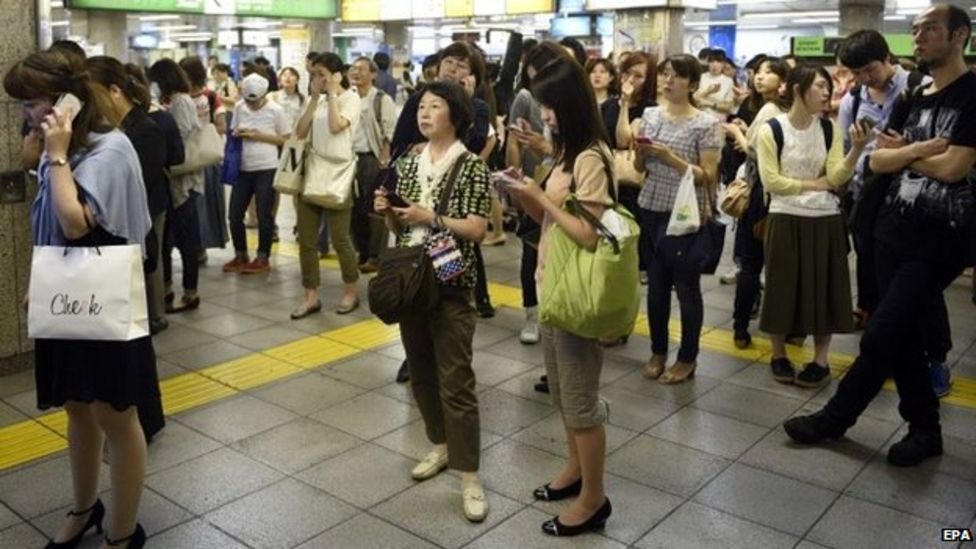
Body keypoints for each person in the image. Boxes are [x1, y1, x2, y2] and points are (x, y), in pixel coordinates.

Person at [786, 4, 976, 466]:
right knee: (903, 334)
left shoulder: (972, 95)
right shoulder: (915, 95)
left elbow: (954, 168)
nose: (919, 37)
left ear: (960, 36)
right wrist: (917, 151)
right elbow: (876, 159)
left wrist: (904, 153)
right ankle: (925, 429)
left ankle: (835, 418)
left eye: (930, 28)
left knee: (880, 334)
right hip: (891, 229)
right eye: (916, 29)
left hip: (941, 239)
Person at [6, 49, 152, 549]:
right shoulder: (65, 150)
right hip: (68, 294)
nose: (26, 114)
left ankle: (123, 532)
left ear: (66, 100)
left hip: (105, 297)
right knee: (75, 405)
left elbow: (74, 222)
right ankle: (84, 507)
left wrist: (57, 154)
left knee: (115, 413)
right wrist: (41, 283)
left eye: (31, 102)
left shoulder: (109, 150)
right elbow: (51, 226)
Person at [506, 57, 614, 538]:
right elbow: (549, 218)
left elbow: (589, 233)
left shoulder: (591, 156)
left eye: (549, 106)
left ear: (569, 104)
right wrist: (522, 192)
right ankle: (573, 470)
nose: (544, 114)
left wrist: (539, 194)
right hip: (553, 284)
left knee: (580, 401)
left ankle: (594, 499)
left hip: (576, 294)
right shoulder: (567, 150)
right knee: (563, 396)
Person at [373, 81, 491, 523]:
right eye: (421, 106)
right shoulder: (407, 161)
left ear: (455, 115)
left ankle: (470, 476)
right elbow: (399, 226)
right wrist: (388, 210)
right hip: (411, 279)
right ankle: (440, 446)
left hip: (451, 278)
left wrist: (431, 217)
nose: (424, 114)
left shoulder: (471, 165)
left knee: (456, 379)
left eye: (435, 106)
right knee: (421, 374)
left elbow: (477, 229)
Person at [756, 64, 867, 387]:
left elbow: (836, 177)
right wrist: (814, 184)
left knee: (824, 289)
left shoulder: (830, 129)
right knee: (781, 286)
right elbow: (771, 181)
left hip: (825, 219)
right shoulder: (772, 130)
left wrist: (857, 149)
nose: (826, 92)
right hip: (784, 215)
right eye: (819, 86)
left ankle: (820, 360)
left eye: (827, 87)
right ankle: (779, 354)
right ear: (797, 89)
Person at [634, 54, 721, 384]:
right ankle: (658, 351)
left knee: (686, 287)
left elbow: (707, 175)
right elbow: (640, 168)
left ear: (693, 84)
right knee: (656, 287)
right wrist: (641, 155)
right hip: (651, 205)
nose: (668, 81)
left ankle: (687, 357)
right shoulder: (650, 116)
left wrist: (670, 157)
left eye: (677, 76)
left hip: (684, 214)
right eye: (665, 74)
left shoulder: (706, 123)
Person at [721, 56, 792, 349]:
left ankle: (740, 327)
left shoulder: (770, 109)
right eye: (758, 72)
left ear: (783, 82)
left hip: (761, 195)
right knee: (779, 266)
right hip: (783, 196)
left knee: (751, 263)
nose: (759, 77)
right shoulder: (787, 110)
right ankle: (788, 327)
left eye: (768, 72)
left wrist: (736, 132)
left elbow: (753, 150)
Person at [506, 43, 569, 352]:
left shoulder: (572, 104)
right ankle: (534, 315)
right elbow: (512, 141)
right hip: (536, 183)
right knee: (532, 250)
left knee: (561, 250)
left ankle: (562, 314)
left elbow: (579, 151)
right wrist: (515, 180)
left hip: (562, 187)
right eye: (532, 76)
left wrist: (546, 148)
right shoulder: (526, 98)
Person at [291, 52, 362, 317]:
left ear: (337, 75)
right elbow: (300, 132)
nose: (317, 79)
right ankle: (311, 295)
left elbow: (335, 126)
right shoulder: (317, 100)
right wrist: (313, 98)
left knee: (340, 239)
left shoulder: (351, 98)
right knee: (307, 240)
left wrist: (332, 93)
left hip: (338, 174)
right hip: (313, 172)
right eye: (314, 75)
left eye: (321, 74)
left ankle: (351, 291)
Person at [147, 59, 204, 314]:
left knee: (185, 240)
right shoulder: (176, 101)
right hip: (175, 182)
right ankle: (167, 288)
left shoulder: (181, 101)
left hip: (183, 182)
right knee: (169, 240)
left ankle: (190, 293)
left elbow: (179, 138)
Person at [222, 73, 291, 275]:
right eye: (248, 101)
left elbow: (286, 139)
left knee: (264, 215)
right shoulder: (239, 107)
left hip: (267, 168)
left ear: (264, 95)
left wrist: (258, 136)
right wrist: (238, 133)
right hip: (242, 168)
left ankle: (262, 257)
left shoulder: (276, 110)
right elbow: (233, 129)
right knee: (234, 215)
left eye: (255, 101)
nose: (251, 104)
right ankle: (240, 254)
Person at [349, 56, 397, 273]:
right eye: (353, 68)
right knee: (354, 209)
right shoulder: (348, 98)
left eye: (361, 69)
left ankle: (376, 255)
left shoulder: (381, 99)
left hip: (372, 159)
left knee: (374, 209)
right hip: (350, 159)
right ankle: (362, 251)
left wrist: (384, 162)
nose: (356, 72)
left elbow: (389, 133)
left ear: (373, 74)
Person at [179, 56, 229, 256]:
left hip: (204, 158)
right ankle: (193, 245)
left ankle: (201, 245)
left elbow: (222, 126)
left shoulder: (210, 96)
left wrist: (199, 132)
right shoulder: (178, 98)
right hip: (190, 159)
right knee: (193, 204)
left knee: (203, 204)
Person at [696, 50, 736, 120]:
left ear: (723, 64)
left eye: (719, 62)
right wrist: (708, 92)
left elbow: (729, 107)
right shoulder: (701, 78)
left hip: (718, 120)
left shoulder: (728, 81)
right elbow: (693, 101)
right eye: (711, 61)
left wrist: (709, 103)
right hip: (700, 118)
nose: (715, 65)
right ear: (708, 63)